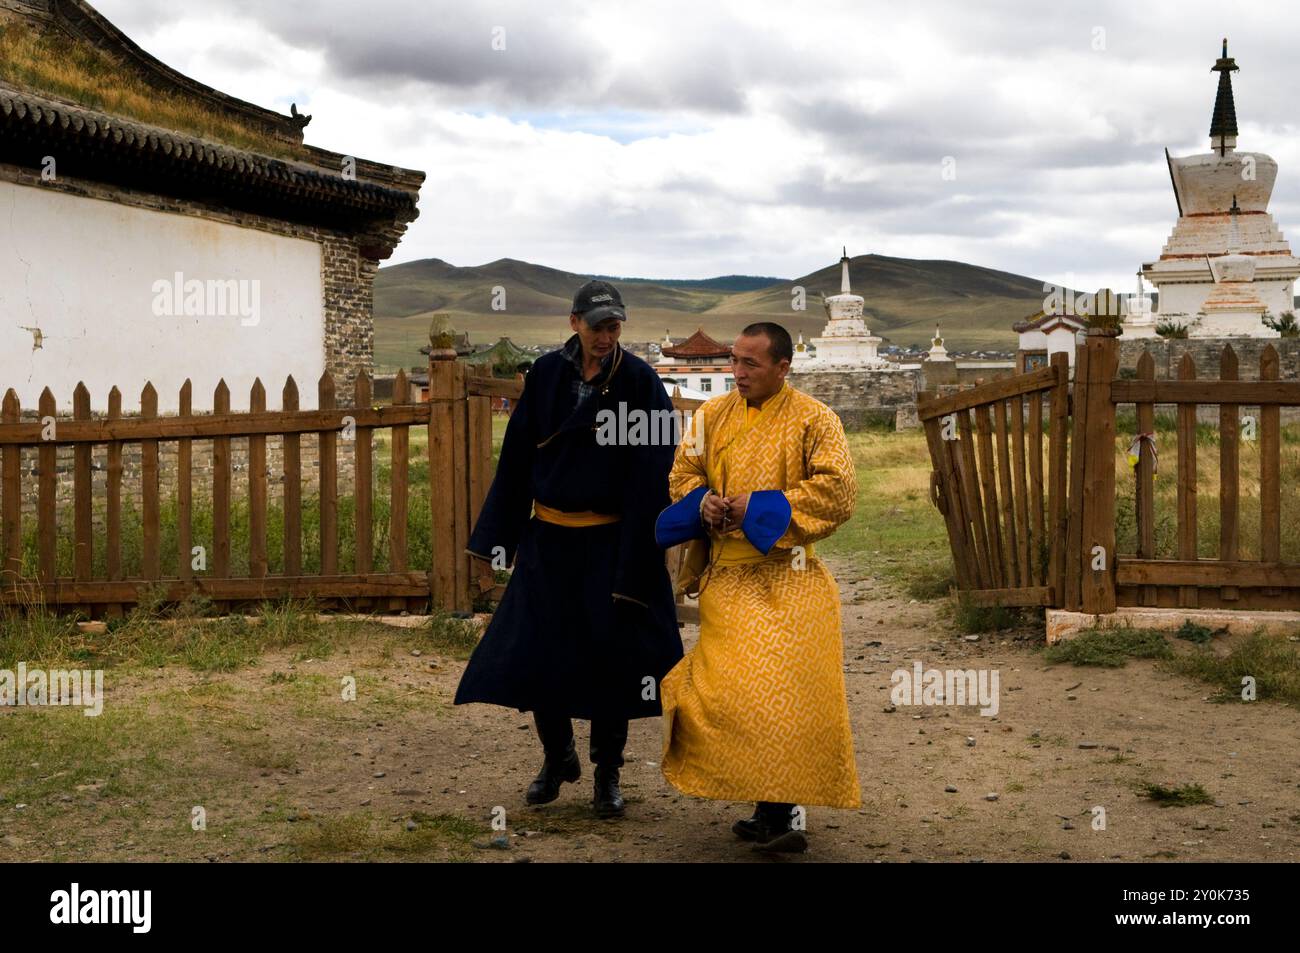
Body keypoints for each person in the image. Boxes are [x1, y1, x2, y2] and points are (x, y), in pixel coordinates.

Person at [455, 280, 684, 818]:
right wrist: (498, 539)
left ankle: (608, 773)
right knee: (540, 651)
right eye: (598, 325)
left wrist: (638, 560)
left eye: (614, 327)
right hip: (549, 540)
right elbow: (516, 462)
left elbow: (653, 476)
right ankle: (557, 757)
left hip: (610, 540)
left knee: (612, 659)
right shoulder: (547, 376)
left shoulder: (639, 382)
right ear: (574, 322)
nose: (607, 336)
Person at [653, 321, 860, 852]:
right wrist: (703, 502)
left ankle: (784, 814)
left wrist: (762, 507)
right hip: (729, 579)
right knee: (732, 694)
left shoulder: (817, 419)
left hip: (792, 578)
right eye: (735, 361)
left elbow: (836, 492)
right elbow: (683, 475)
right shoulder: (710, 417)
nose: (738, 373)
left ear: (782, 368)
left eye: (751, 364)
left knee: (790, 698)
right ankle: (763, 800)